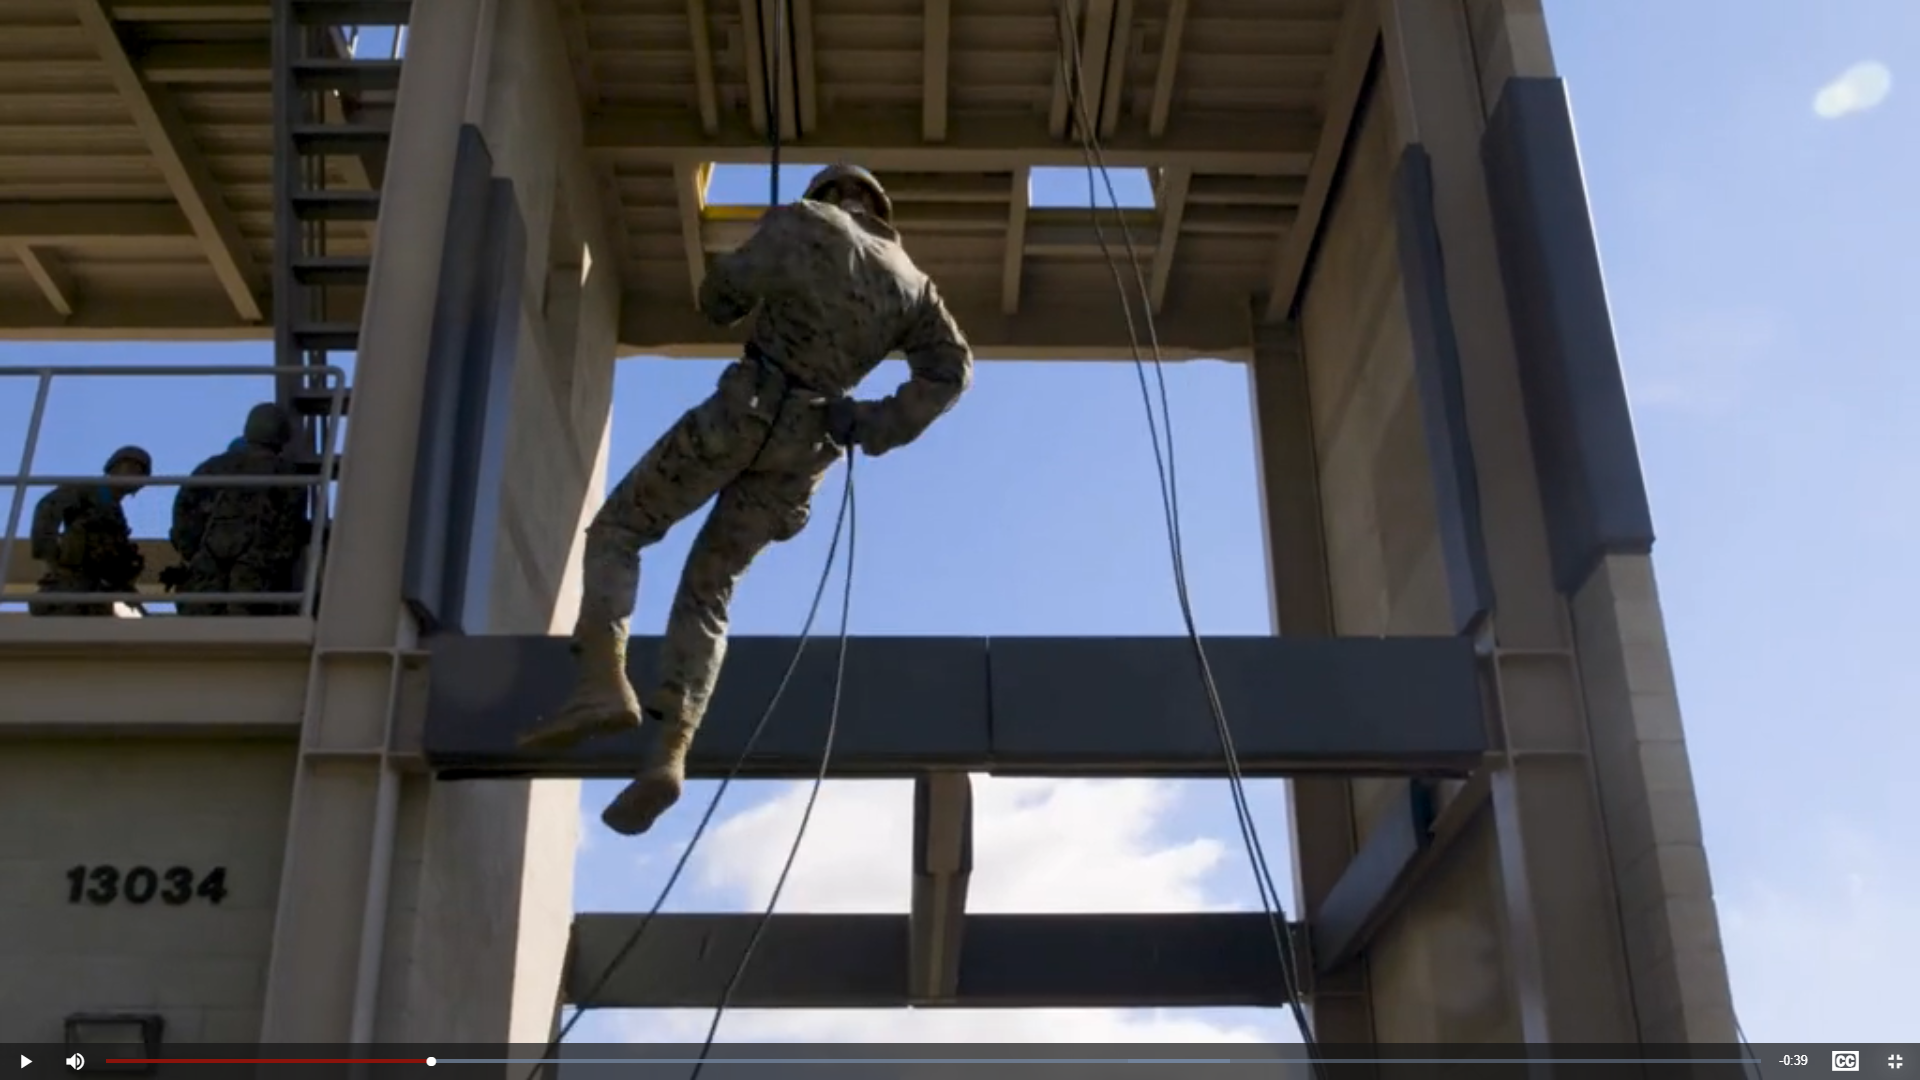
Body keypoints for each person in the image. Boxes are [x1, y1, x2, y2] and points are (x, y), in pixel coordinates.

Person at [519, 163, 975, 837]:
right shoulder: (914, 287)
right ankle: (669, 752)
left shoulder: (804, 220)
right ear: (879, 209)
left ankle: (600, 681)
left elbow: (721, 299)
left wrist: (743, 273)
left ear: (829, 195)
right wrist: (872, 424)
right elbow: (952, 370)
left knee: (622, 529)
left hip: (742, 413)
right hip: (805, 449)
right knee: (711, 591)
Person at [167, 403, 311, 616]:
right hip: (256, 567)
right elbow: (290, 526)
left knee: (201, 625)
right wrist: (278, 559)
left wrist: (193, 550)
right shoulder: (286, 474)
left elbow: (184, 511)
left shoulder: (212, 467)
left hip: (208, 565)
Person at [28, 445, 152, 616]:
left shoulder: (116, 513)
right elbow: (47, 510)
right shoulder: (87, 490)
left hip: (101, 585)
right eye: (130, 466)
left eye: (140, 472)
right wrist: (53, 556)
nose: (134, 474)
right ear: (113, 467)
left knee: (139, 622)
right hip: (74, 579)